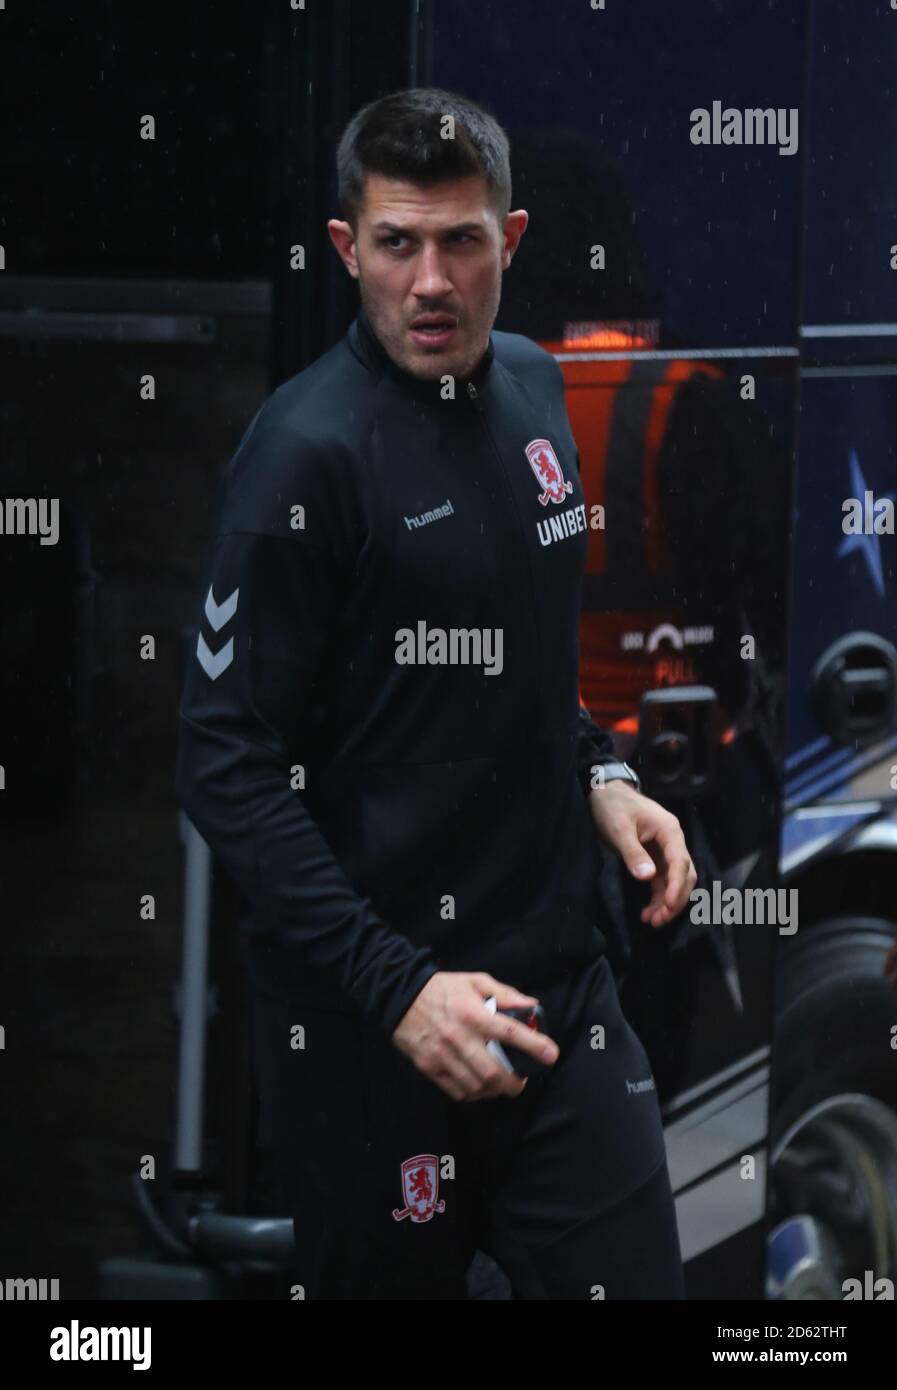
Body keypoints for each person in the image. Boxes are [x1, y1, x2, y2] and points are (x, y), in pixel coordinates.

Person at [175, 86, 697, 1300]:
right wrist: (395, 985)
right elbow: (223, 766)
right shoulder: (303, 457)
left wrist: (599, 769)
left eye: (462, 241)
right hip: (374, 1038)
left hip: (559, 997)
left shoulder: (532, 386)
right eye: (398, 243)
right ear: (348, 247)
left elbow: (521, 661)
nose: (430, 280)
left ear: (508, 244)